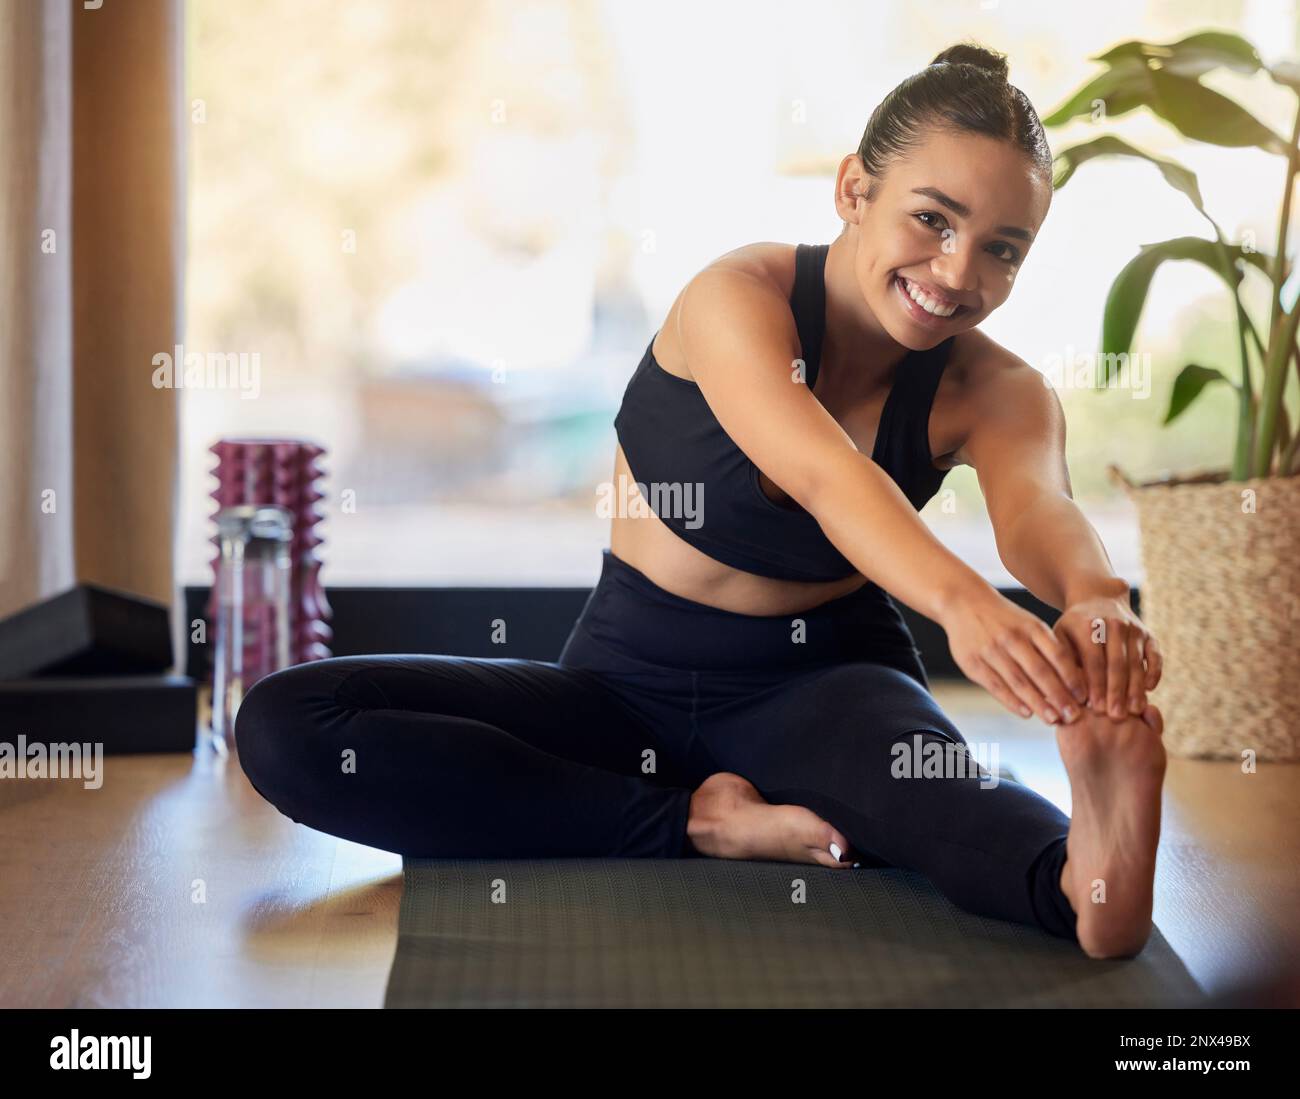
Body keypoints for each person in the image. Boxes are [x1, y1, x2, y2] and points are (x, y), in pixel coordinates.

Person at [235, 42, 1167, 960]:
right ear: (853, 190)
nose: (961, 273)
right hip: (619, 687)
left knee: (935, 802)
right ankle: (701, 823)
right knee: (289, 725)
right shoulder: (737, 296)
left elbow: (1038, 505)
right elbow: (824, 473)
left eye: (1002, 249)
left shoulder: (996, 390)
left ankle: (1088, 875)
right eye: (933, 220)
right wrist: (965, 604)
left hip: (825, 689)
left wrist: (1093, 597)